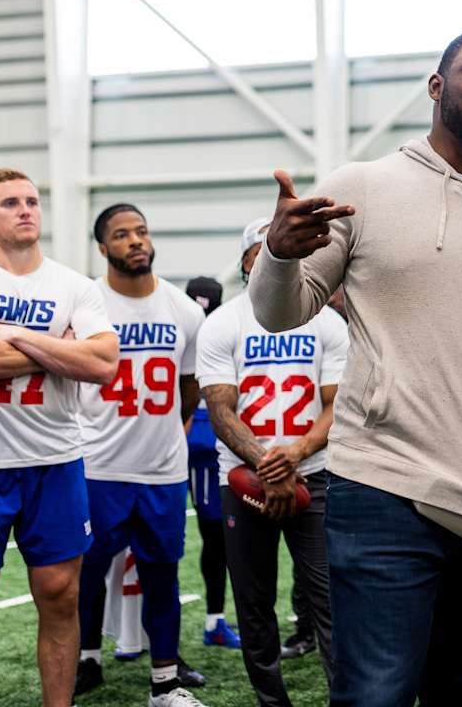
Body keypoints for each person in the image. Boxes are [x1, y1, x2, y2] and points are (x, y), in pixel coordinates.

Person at [246, 25, 462, 706]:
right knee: (376, 696)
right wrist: (277, 253)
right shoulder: (362, 187)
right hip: (383, 489)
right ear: (436, 86)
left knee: (460, 694)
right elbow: (282, 312)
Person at [0, 169, 119, 707]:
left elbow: (104, 364)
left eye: (32, 200)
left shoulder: (74, 285)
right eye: (10, 202)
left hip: (55, 461)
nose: (26, 209)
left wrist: (8, 334)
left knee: (60, 596)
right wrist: (60, 348)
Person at [197, 218, 346, 706]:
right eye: (263, 251)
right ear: (246, 263)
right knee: (254, 602)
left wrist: (295, 455)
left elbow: (337, 405)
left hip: (316, 474)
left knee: (331, 600)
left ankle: (345, 698)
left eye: (284, 251)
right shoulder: (223, 323)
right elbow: (221, 410)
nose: (275, 260)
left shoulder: (327, 321)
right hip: (243, 478)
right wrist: (270, 465)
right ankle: (271, 703)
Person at [71, 204, 207, 706]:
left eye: (142, 231)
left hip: (161, 469)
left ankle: (164, 682)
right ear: (102, 247)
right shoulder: (85, 304)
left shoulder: (184, 310)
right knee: (85, 575)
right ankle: (86, 658)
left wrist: (165, 431)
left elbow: (188, 389)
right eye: (122, 234)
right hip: (97, 464)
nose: (135, 241)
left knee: (161, 575)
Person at [183, 276, 242, 652]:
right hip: (204, 446)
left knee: (220, 539)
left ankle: (130, 632)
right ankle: (214, 621)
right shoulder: (218, 330)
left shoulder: (195, 330)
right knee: (216, 538)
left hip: (207, 443)